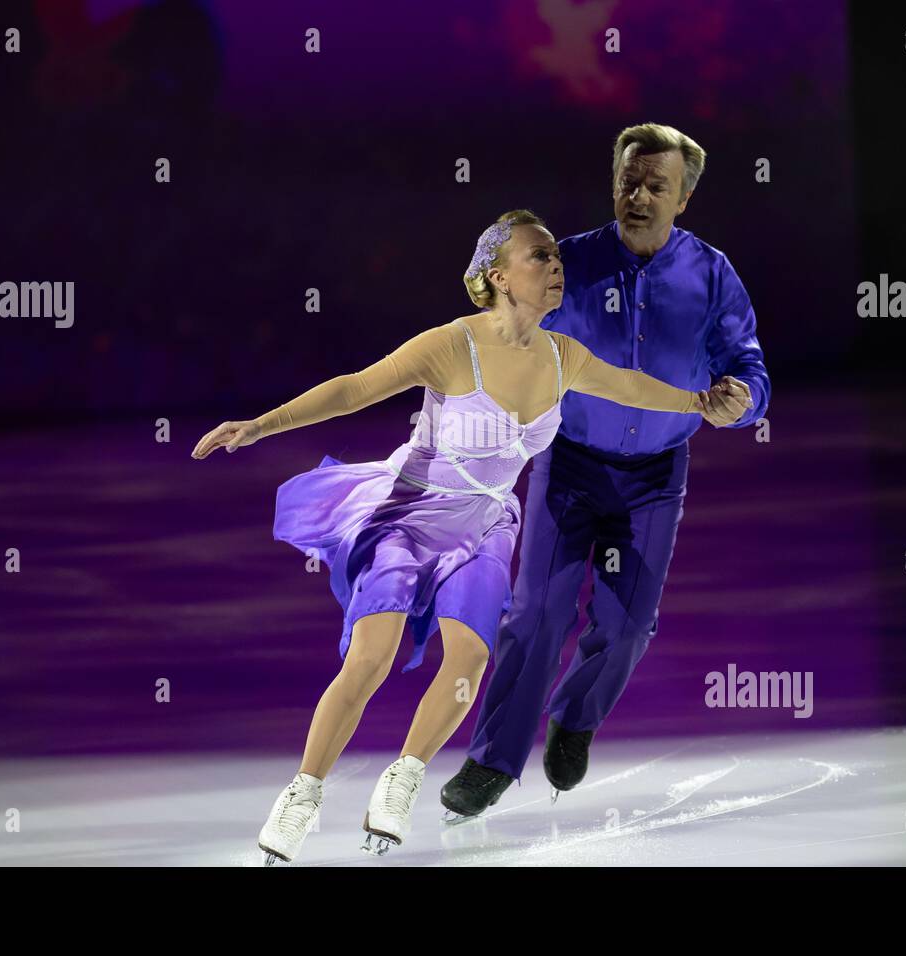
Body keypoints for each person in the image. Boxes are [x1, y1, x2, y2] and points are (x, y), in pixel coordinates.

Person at [192, 209, 746, 865]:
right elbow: (352, 391)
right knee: (371, 659)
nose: (554, 266)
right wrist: (260, 425)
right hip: (409, 518)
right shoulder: (451, 347)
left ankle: (401, 779)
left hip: (484, 527)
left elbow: (627, 386)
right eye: (538, 257)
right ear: (496, 276)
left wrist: (699, 402)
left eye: (556, 258)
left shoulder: (562, 356)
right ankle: (304, 794)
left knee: (470, 660)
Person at [442, 124, 771, 817]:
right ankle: (492, 760)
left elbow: (747, 364)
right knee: (536, 614)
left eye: (657, 185)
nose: (639, 195)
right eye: (629, 181)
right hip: (570, 466)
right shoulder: (571, 265)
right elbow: (512, 332)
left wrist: (744, 403)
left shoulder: (711, 275)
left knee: (626, 628)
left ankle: (575, 715)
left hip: (654, 477)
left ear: (683, 197)